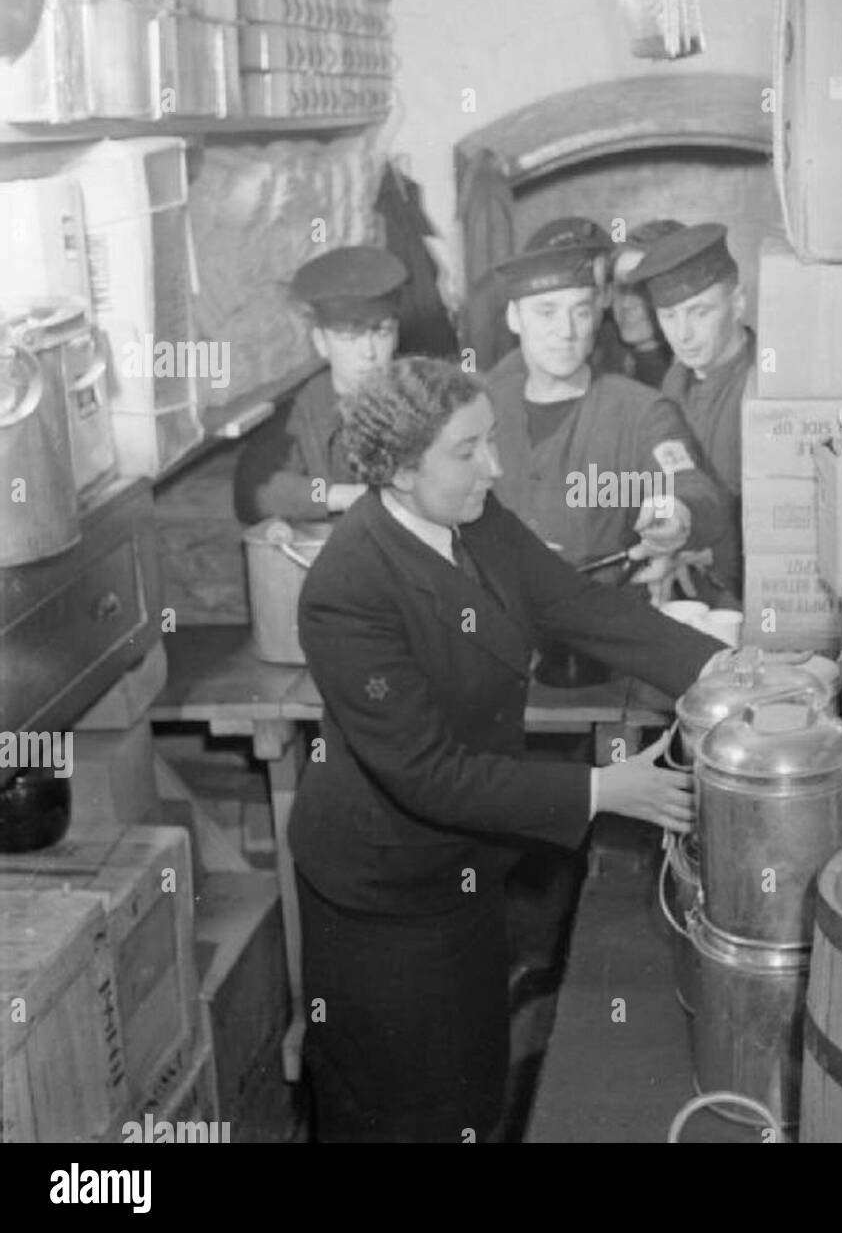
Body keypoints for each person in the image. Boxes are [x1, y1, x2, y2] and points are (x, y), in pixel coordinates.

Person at [288, 356, 725, 1142]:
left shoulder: (472, 517)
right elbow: (429, 775)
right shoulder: (347, 588)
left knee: (469, 1085)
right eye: (467, 451)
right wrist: (600, 790)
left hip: (463, 869)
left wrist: (718, 666)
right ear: (396, 468)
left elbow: (578, 606)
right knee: (396, 1108)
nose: (492, 466)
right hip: (383, 890)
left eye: (489, 441)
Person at [485, 217, 730, 591]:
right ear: (514, 318)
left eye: (581, 311)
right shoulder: (483, 408)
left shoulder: (641, 411)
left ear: (597, 315)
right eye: (547, 312)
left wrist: (674, 514)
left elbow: (694, 490)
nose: (566, 331)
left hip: (600, 622)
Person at [233, 246, 406, 525]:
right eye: (350, 338)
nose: (369, 352)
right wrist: (338, 495)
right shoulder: (303, 410)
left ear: (396, 336)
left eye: (381, 332)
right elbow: (255, 491)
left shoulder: (420, 395)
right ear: (321, 343)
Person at [626, 223, 757, 593]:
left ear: (738, 304)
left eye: (699, 313)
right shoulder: (675, 378)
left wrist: (706, 552)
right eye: (669, 316)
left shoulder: (763, 391)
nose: (682, 334)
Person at [591, 218, 683, 388]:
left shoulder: (700, 374)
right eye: (621, 287)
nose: (625, 303)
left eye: (642, 288)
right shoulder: (592, 356)